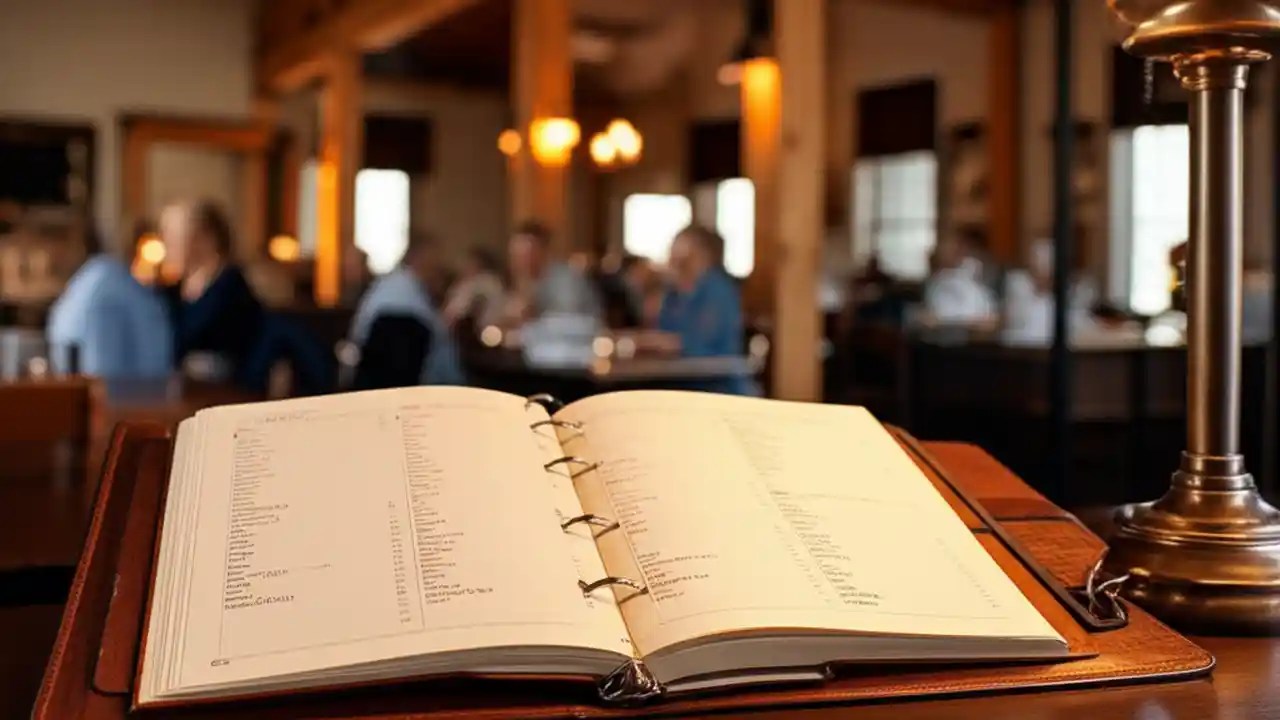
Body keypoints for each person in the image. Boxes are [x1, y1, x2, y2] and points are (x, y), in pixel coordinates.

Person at [46, 225, 173, 378]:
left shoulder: (94, 286)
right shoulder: (105, 286)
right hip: (133, 388)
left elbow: (99, 370)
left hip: (129, 390)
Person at [166, 201, 266, 385]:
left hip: (224, 388)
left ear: (207, 239)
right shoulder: (175, 288)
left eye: (176, 238)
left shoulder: (230, 286)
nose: (167, 247)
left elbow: (190, 337)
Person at [349, 233, 465, 385]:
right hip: (420, 390)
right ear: (418, 260)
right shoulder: (414, 300)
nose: (437, 270)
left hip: (371, 386)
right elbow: (441, 341)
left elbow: (357, 334)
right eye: (434, 264)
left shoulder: (383, 287)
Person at [649, 225, 750, 395]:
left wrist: (673, 345)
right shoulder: (673, 294)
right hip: (677, 382)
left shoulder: (717, 291)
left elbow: (706, 346)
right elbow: (663, 332)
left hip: (718, 386)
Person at [500, 220, 600, 325]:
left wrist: (532, 312)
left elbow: (569, 318)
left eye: (527, 254)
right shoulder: (518, 280)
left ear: (543, 251)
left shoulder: (565, 280)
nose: (520, 260)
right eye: (516, 254)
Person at [442, 246, 505, 329]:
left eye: (471, 263)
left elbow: (462, 309)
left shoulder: (487, 282)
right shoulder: (461, 285)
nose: (466, 266)